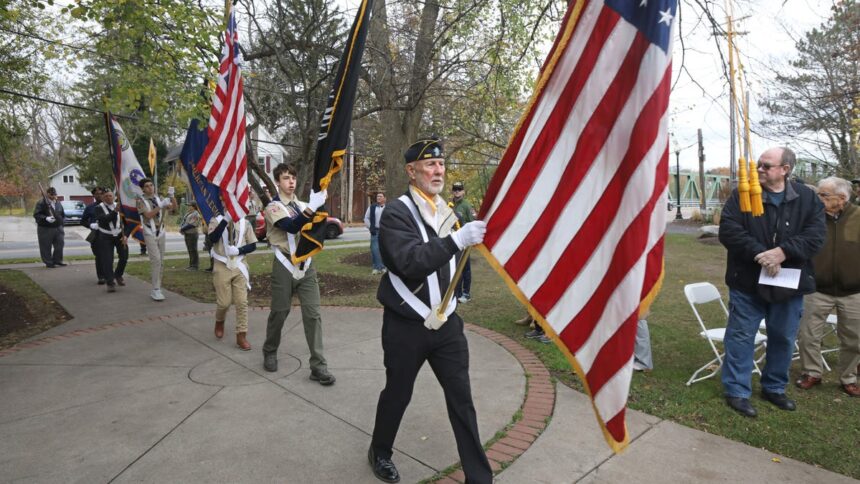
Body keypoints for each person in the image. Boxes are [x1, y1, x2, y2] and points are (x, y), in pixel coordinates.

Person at [368, 137, 492, 484]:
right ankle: (380, 451)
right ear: (412, 171)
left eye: (440, 164)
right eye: (429, 165)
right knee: (398, 394)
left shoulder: (446, 211)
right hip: (406, 325)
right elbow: (408, 262)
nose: (438, 170)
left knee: (462, 400)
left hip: (447, 326)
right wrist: (457, 239)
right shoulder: (397, 211)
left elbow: (451, 259)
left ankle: (479, 477)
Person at [718, 146, 825, 417]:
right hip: (748, 281)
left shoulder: (807, 199)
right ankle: (737, 391)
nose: (760, 170)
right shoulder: (742, 195)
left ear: (785, 170)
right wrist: (760, 255)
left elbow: (815, 236)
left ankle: (774, 387)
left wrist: (782, 252)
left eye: (767, 166)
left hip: (788, 282)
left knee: (784, 337)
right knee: (741, 336)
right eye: (759, 166)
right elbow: (729, 231)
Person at [261, 163, 335, 385]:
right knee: (280, 312)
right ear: (277, 182)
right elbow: (291, 226)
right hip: (284, 265)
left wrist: (319, 203)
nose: (291, 181)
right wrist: (311, 209)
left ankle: (318, 366)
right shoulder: (272, 207)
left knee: (313, 315)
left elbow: (318, 228)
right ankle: (270, 349)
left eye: (293, 177)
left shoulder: (303, 204)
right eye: (285, 178)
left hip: (306, 266)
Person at [795, 177, 860, 397]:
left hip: (853, 291)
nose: (818, 198)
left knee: (854, 338)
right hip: (816, 288)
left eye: (823, 195)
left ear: (841, 198)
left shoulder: (858, 217)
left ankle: (849, 378)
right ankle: (812, 372)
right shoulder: (813, 217)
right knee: (807, 335)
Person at [207, 214, 258, 350]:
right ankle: (220, 320)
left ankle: (241, 335)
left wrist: (239, 250)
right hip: (222, 265)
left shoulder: (244, 223)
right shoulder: (215, 220)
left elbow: (253, 245)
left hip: (239, 265)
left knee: (242, 302)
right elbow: (212, 238)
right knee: (224, 303)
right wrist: (225, 221)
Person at [136, 178, 176, 301]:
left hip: (161, 231)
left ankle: (158, 286)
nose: (150, 188)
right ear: (143, 188)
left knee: (162, 261)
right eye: (147, 186)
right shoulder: (140, 200)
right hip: (149, 231)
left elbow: (174, 209)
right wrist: (160, 206)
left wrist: (172, 196)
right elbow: (148, 215)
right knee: (156, 259)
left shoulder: (159, 198)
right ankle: (155, 289)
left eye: (151, 185)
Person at [91, 189, 128, 293]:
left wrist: (126, 236)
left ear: (114, 196)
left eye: (110, 195)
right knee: (107, 260)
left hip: (120, 235)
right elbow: (104, 219)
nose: (108, 198)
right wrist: (115, 211)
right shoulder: (98, 208)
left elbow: (128, 223)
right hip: (105, 236)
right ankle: (110, 282)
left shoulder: (121, 207)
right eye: (106, 196)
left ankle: (118, 274)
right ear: (102, 198)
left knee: (124, 257)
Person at [450, 181, 477, 303]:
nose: (457, 191)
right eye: (455, 189)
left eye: (459, 189)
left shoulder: (467, 206)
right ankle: (458, 292)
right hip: (453, 240)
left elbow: (473, 224)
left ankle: (466, 294)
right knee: (456, 268)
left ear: (463, 191)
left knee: (465, 268)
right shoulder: (449, 205)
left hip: (465, 241)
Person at [33, 186, 66, 268]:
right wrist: (46, 218)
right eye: (52, 194)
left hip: (58, 227)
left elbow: (62, 214)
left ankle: (58, 260)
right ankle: (49, 262)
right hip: (45, 228)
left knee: (60, 244)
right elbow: (36, 214)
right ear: (47, 194)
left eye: (55, 194)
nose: (54, 196)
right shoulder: (41, 202)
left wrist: (62, 222)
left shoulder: (58, 202)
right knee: (45, 246)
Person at [81, 187, 105, 283]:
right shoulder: (90, 207)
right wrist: (90, 225)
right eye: (97, 194)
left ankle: (108, 275)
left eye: (101, 193)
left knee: (108, 256)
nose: (99, 195)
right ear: (93, 195)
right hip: (96, 235)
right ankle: (101, 277)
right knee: (99, 256)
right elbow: (82, 221)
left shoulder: (108, 205)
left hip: (108, 234)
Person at [364, 192, 387, 275]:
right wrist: (371, 227)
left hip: (385, 232)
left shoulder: (388, 208)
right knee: (374, 249)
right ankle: (377, 267)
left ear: (385, 198)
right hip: (375, 231)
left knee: (384, 250)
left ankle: (382, 267)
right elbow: (366, 218)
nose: (378, 198)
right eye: (378, 196)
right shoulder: (372, 207)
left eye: (380, 196)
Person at [180, 200, 202, 271]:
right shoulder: (189, 213)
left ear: (193, 207)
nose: (188, 207)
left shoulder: (196, 214)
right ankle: (191, 265)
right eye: (188, 205)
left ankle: (195, 266)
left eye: (190, 205)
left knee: (193, 249)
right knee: (190, 250)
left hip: (192, 233)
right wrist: (182, 229)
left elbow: (192, 224)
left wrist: (182, 229)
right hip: (187, 233)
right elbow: (185, 222)